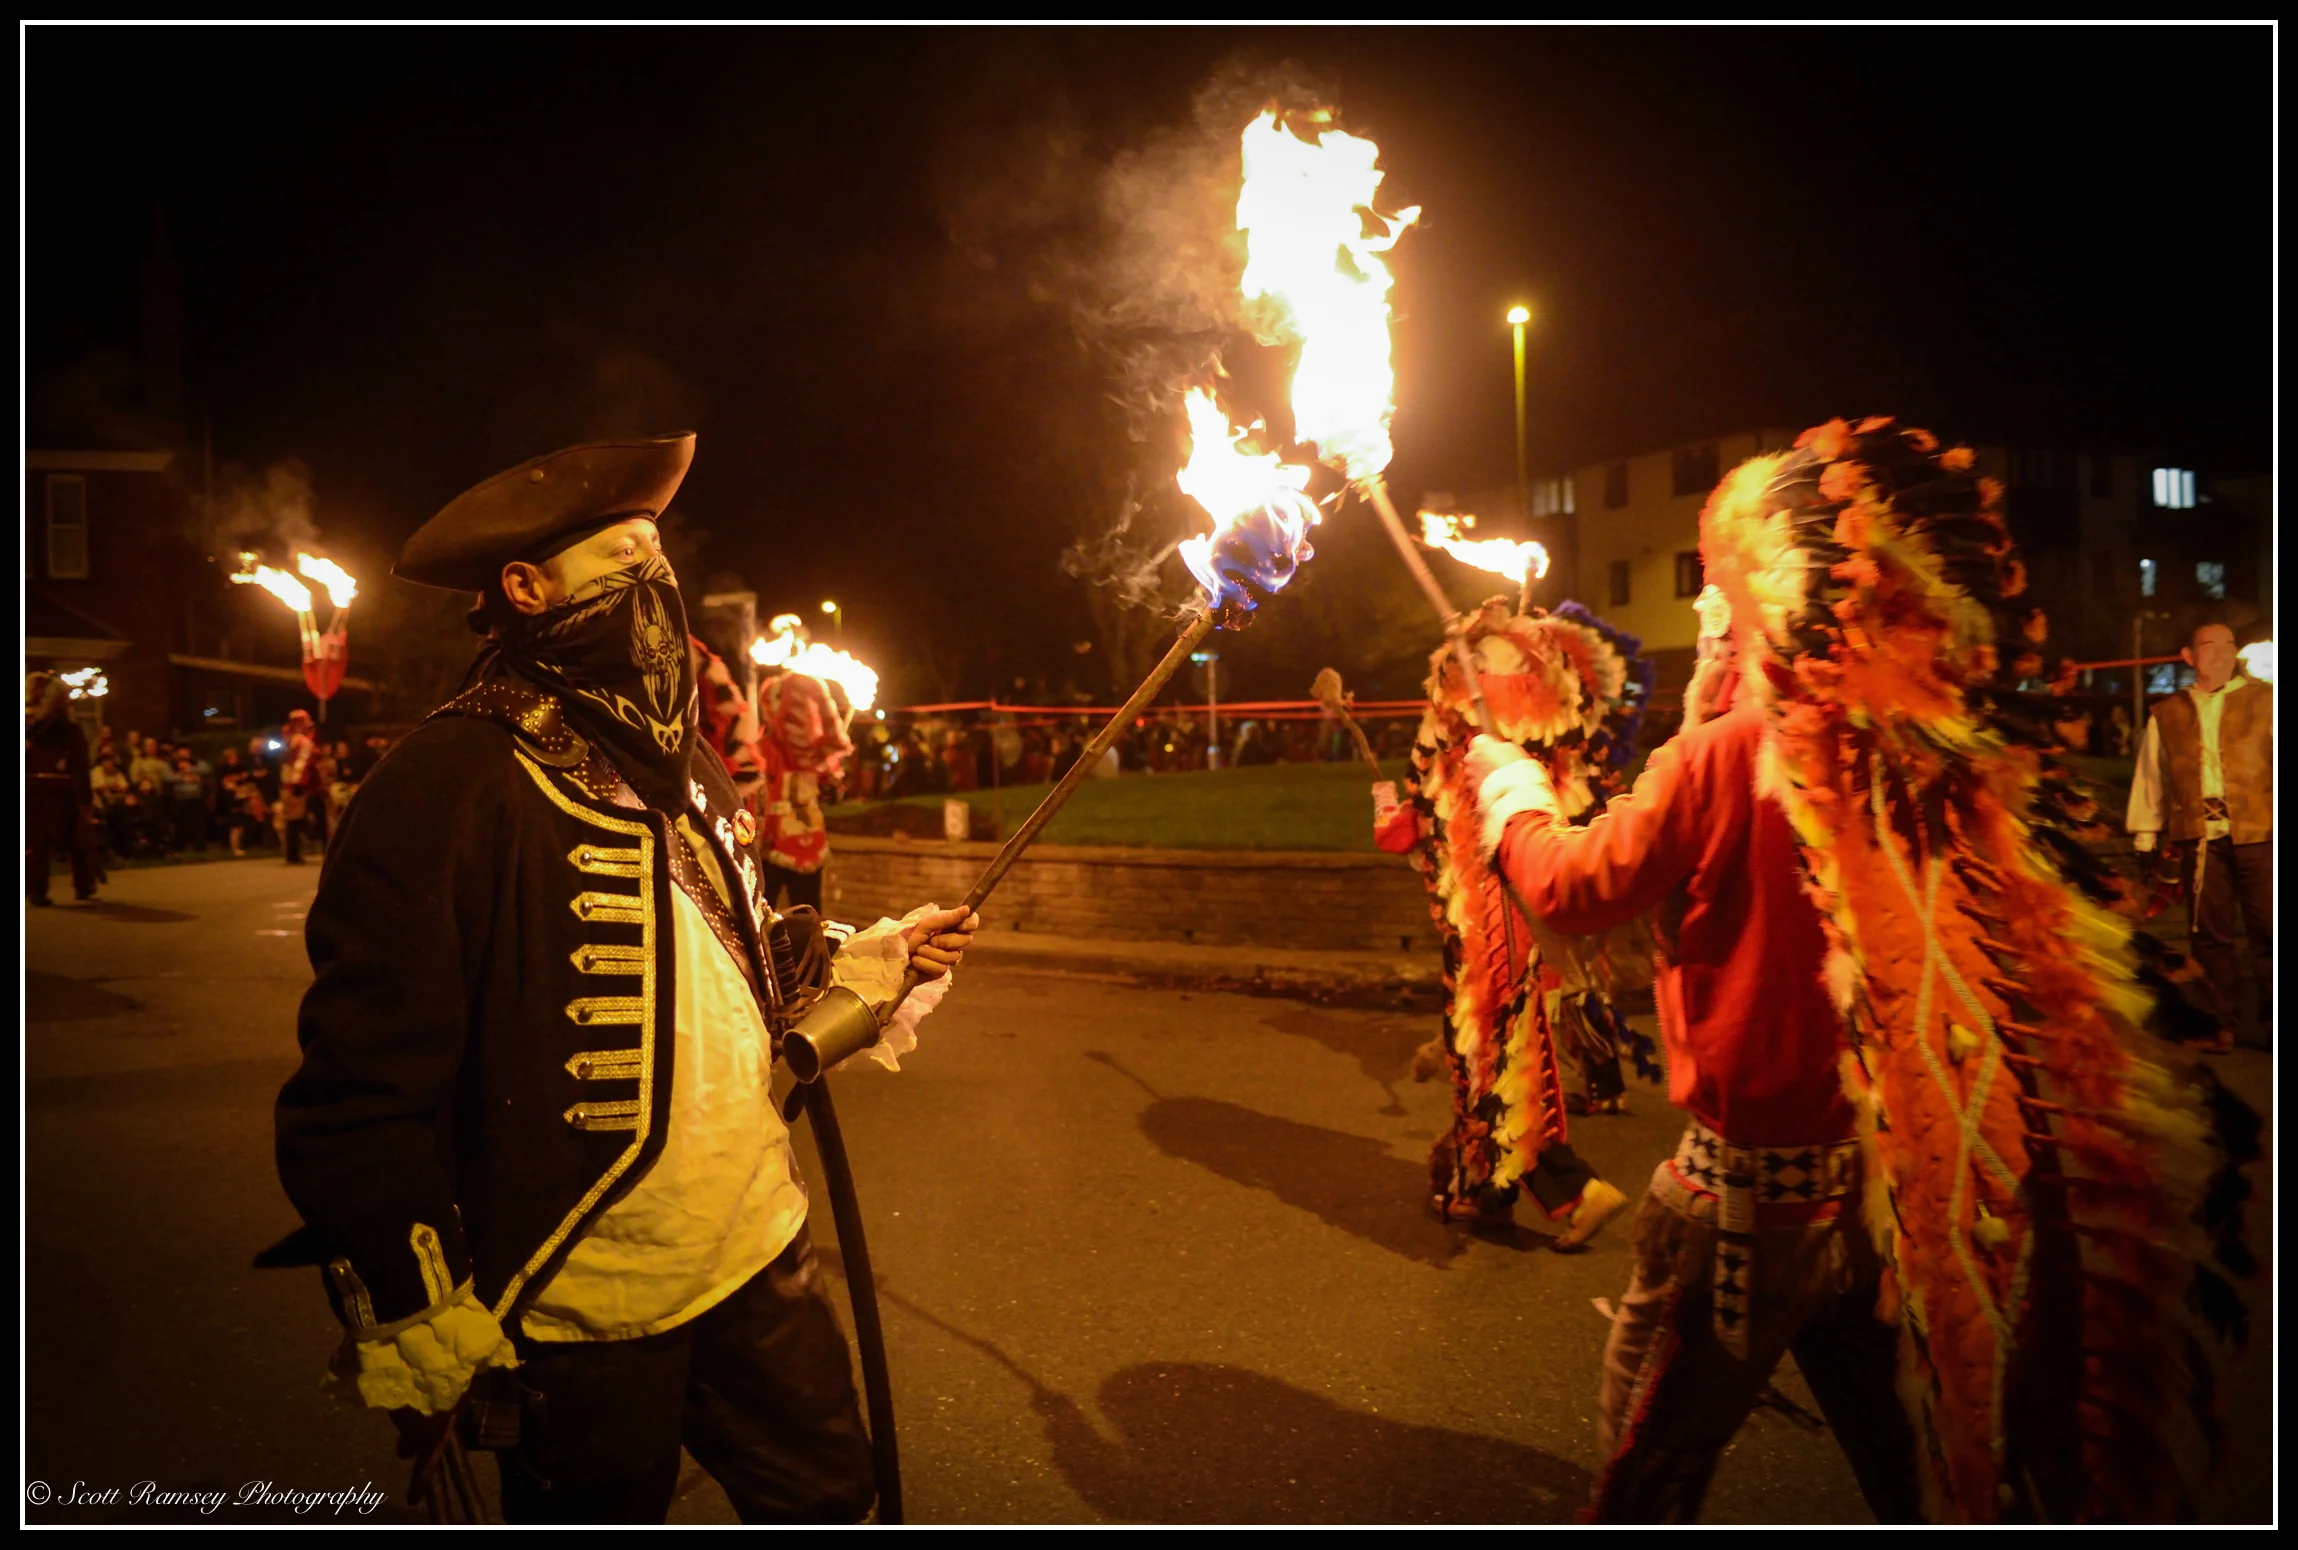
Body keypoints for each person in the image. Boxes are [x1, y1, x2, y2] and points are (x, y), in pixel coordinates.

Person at [1471, 419, 2246, 1524]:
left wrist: (1510, 791)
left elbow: (1573, 885)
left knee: (1650, 1466)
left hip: (1739, 1204)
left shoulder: (1724, 755)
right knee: (1903, 1466)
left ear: (1764, 602)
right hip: (1866, 1191)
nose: (1707, 615)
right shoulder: (1906, 750)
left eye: (1718, 594)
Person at [272, 432, 978, 1525]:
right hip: (580, 1294)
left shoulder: (688, 764)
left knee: (835, 1499)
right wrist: (419, 1306)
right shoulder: (446, 781)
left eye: (659, 557)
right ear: (526, 587)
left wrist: (873, 960)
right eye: (624, 559)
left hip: (755, 1252)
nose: (656, 585)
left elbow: (733, 964)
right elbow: (359, 1095)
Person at [1373, 601, 1649, 1249]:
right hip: (1490, 900)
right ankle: (1478, 1193)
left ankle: (1573, 1190)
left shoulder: (1501, 712)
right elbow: (1430, 804)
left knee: (1499, 1052)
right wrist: (1404, 818)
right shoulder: (1487, 722)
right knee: (1487, 1048)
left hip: (1499, 907)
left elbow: (1482, 793)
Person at [2127, 620, 2272, 1050]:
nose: (2222, 653)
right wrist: (2145, 835)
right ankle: (2218, 1023)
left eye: (2230, 645)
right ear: (2189, 656)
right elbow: (2151, 776)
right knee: (2208, 937)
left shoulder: (2267, 701)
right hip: (2200, 838)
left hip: (2262, 835)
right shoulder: (2167, 713)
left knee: (2271, 930)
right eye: (2210, 645)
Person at [26, 673, 99, 905]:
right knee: (66, 837)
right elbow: (79, 764)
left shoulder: (51, 728)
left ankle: (45, 888)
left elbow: (77, 762)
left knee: (47, 840)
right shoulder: (36, 728)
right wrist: (84, 796)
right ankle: (75, 885)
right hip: (52, 790)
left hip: (47, 788)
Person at [275, 710, 325, 864]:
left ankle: (293, 853)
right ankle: (296, 853)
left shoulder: (288, 741)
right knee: (303, 818)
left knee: (293, 820)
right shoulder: (302, 742)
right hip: (302, 786)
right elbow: (301, 764)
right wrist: (298, 783)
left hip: (290, 784)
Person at [168, 747, 212, 853]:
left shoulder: (196, 762)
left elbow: (206, 769)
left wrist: (189, 769)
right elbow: (167, 776)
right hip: (180, 798)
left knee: (198, 824)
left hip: (196, 797)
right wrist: (182, 778)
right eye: (182, 751)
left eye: (187, 751)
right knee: (180, 824)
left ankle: (199, 847)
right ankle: (179, 848)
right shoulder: (171, 764)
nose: (185, 753)